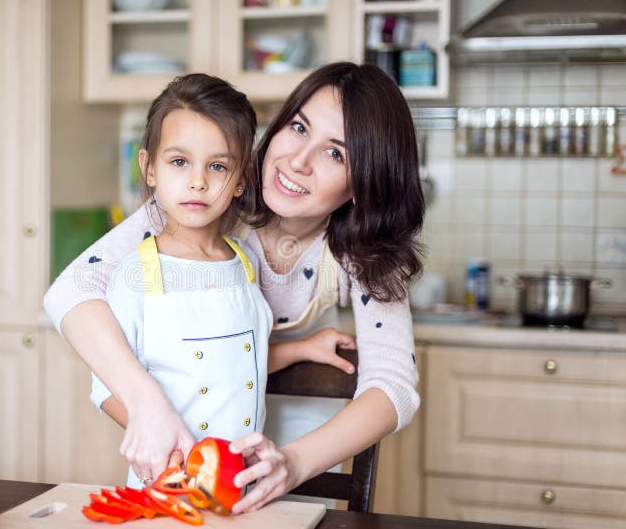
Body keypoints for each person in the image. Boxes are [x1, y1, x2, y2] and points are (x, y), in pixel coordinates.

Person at [43, 62, 424, 512]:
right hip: (187, 442)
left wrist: (295, 463)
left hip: (298, 442)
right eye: (299, 127)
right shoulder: (204, 198)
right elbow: (72, 289)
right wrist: (149, 407)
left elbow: (393, 385)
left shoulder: (366, 249)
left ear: (364, 182)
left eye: (335, 154)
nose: (298, 161)